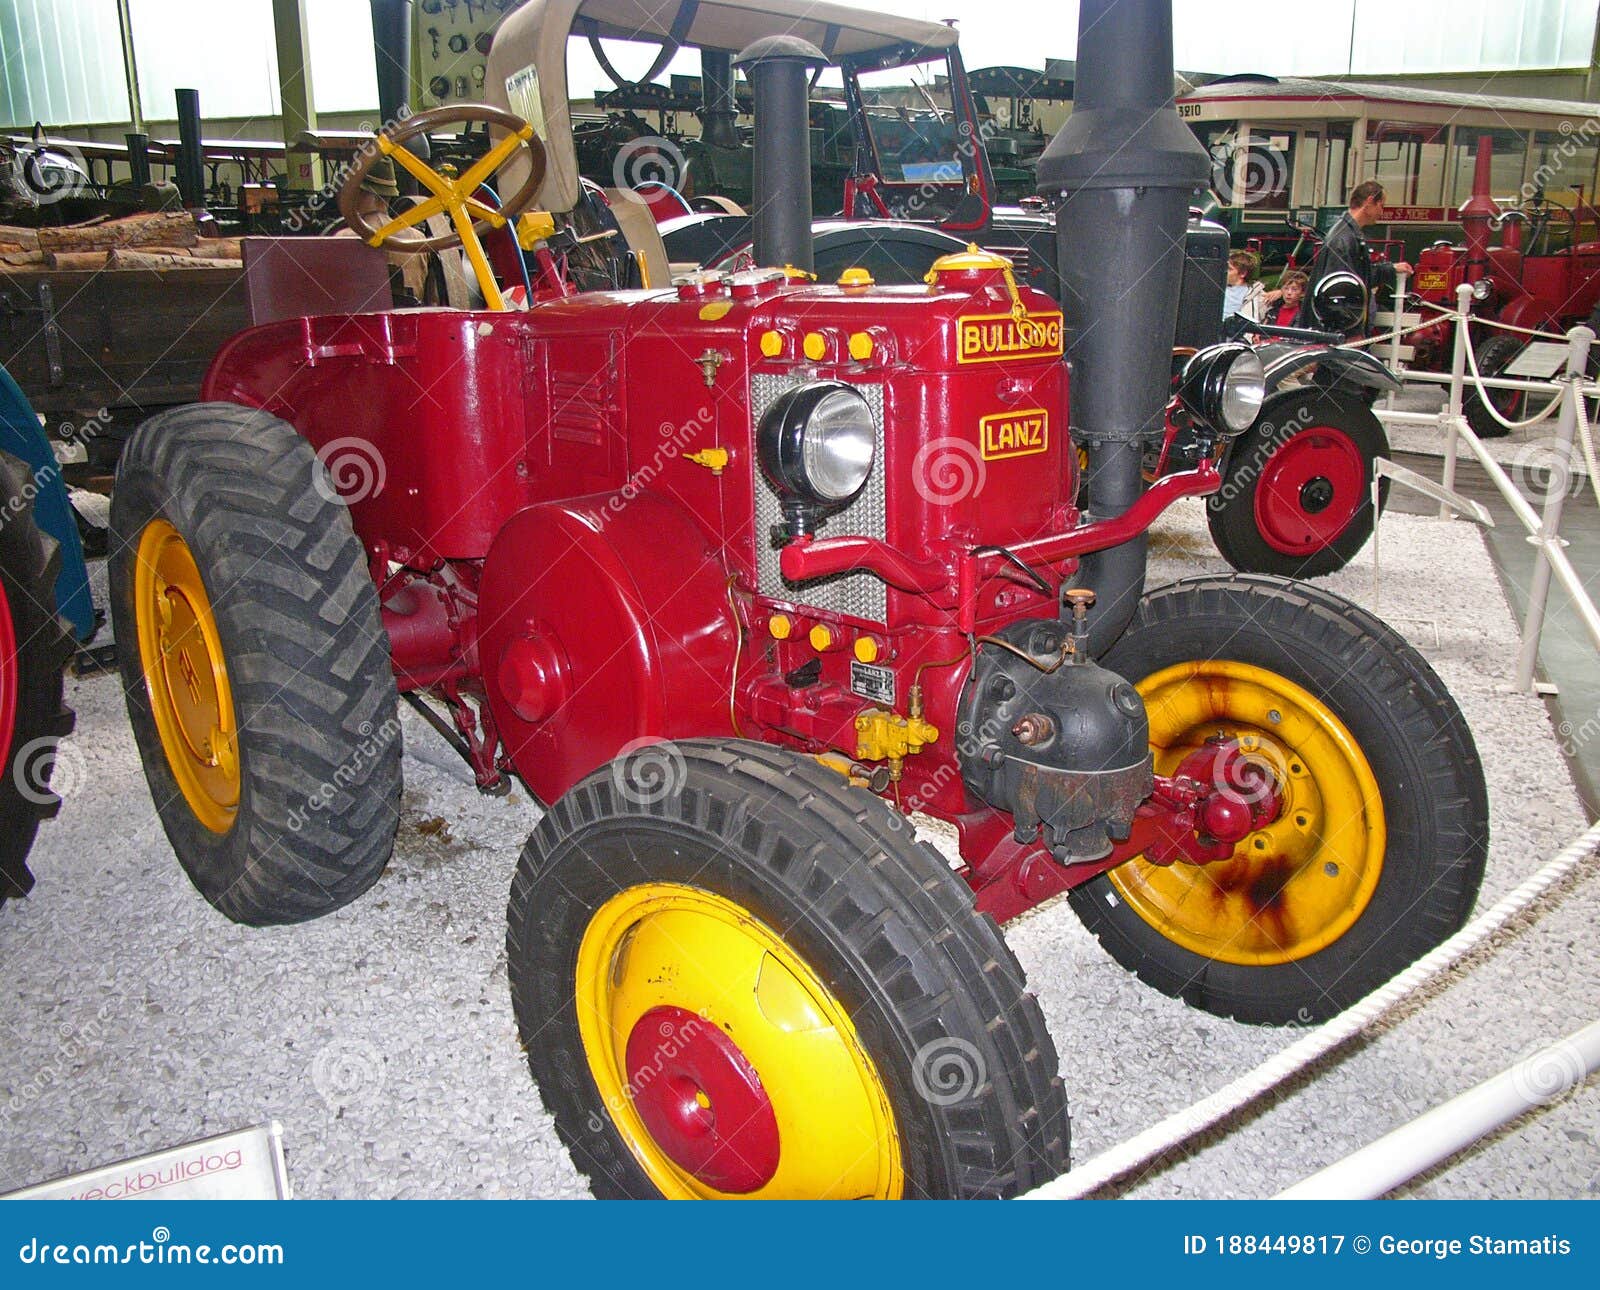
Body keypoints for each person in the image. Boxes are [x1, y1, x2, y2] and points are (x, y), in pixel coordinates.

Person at [1307, 180, 1413, 329]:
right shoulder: (1344, 238)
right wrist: (1347, 331)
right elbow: (1341, 289)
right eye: (1381, 206)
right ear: (1370, 201)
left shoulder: (1344, 234)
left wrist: (1391, 269)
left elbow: (1357, 277)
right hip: (1342, 330)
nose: (1381, 212)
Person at [1222, 250, 1266, 323]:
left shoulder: (1256, 295)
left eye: (1229, 269)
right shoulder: (1215, 287)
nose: (1224, 271)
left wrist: (1279, 292)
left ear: (1243, 273)